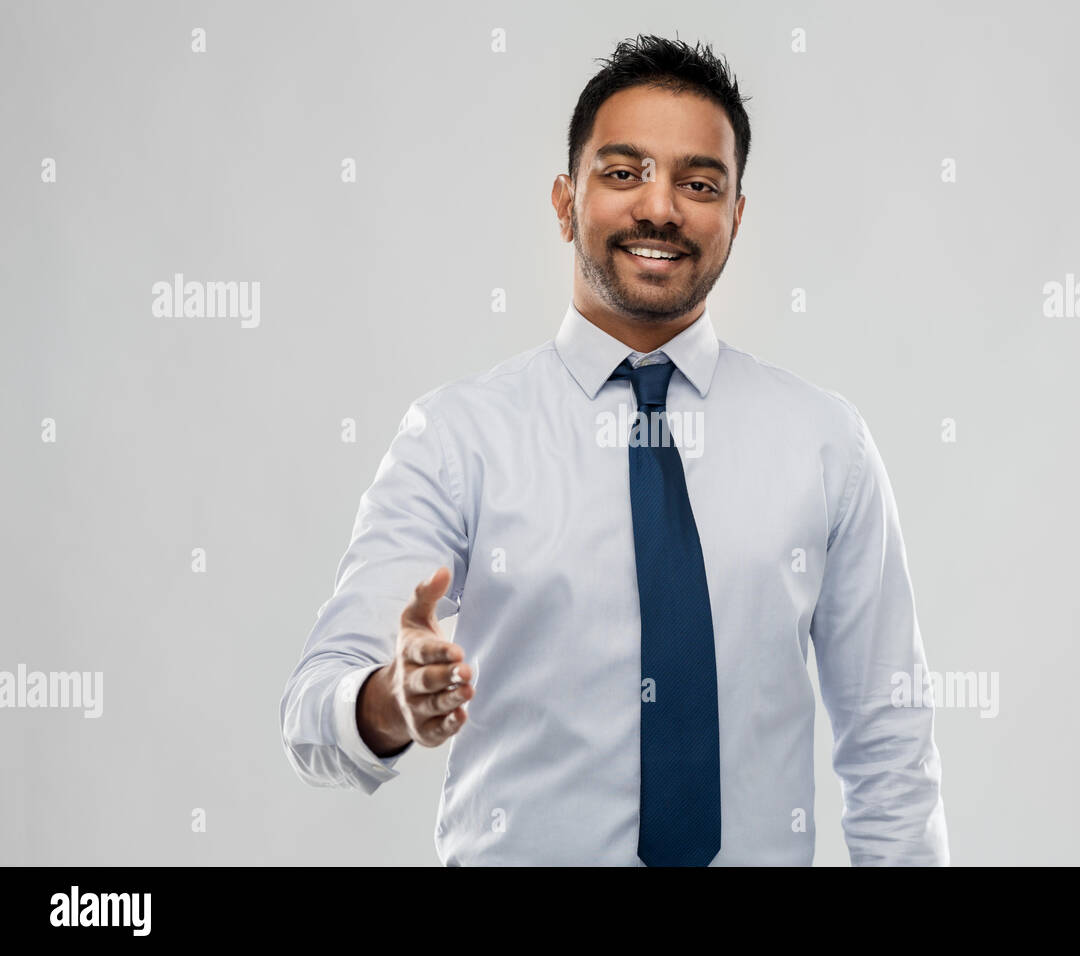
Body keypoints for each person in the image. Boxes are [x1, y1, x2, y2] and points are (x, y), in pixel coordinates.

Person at [280, 34, 950, 867]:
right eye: (623, 173)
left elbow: (889, 745)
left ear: (736, 216)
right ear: (566, 202)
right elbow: (315, 707)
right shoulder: (457, 438)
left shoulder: (824, 443)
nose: (660, 208)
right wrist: (390, 702)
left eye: (698, 184)